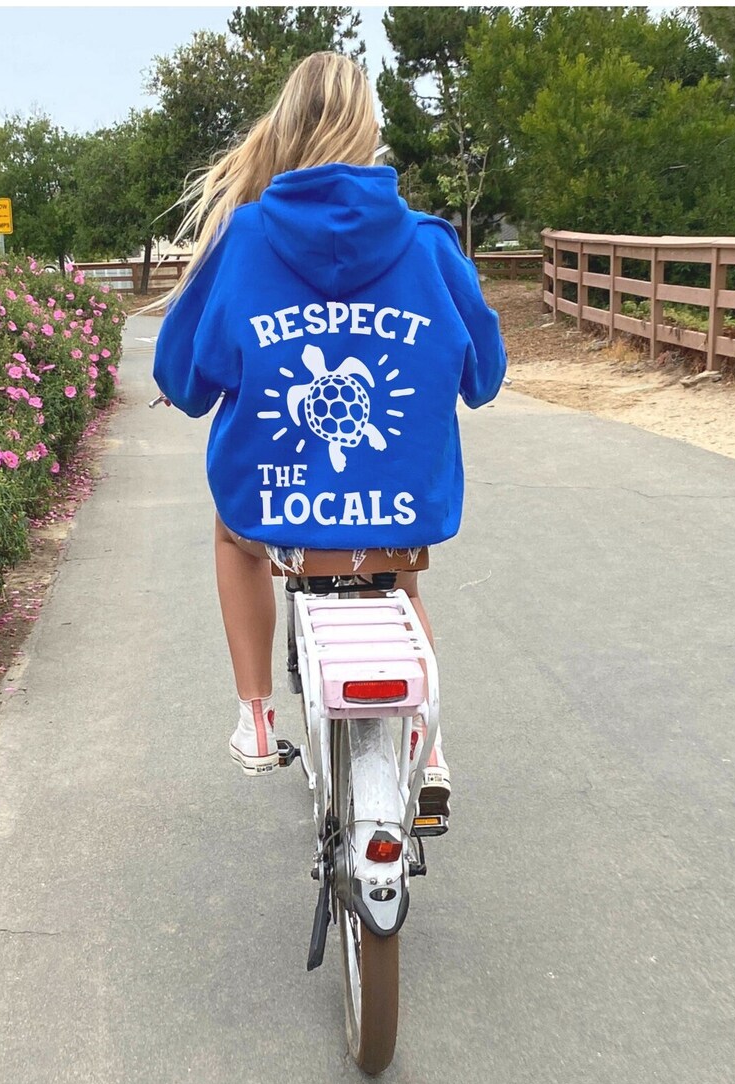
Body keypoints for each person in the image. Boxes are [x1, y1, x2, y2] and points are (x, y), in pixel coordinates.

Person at [151, 51, 506, 823]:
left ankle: (255, 714)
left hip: (277, 518)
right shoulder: (430, 243)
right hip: (402, 514)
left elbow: (183, 380)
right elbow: (484, 377)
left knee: (229, 534)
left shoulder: (242, 239)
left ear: (285, 131)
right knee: (397, 575)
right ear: (368, 133)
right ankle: (430, 742)